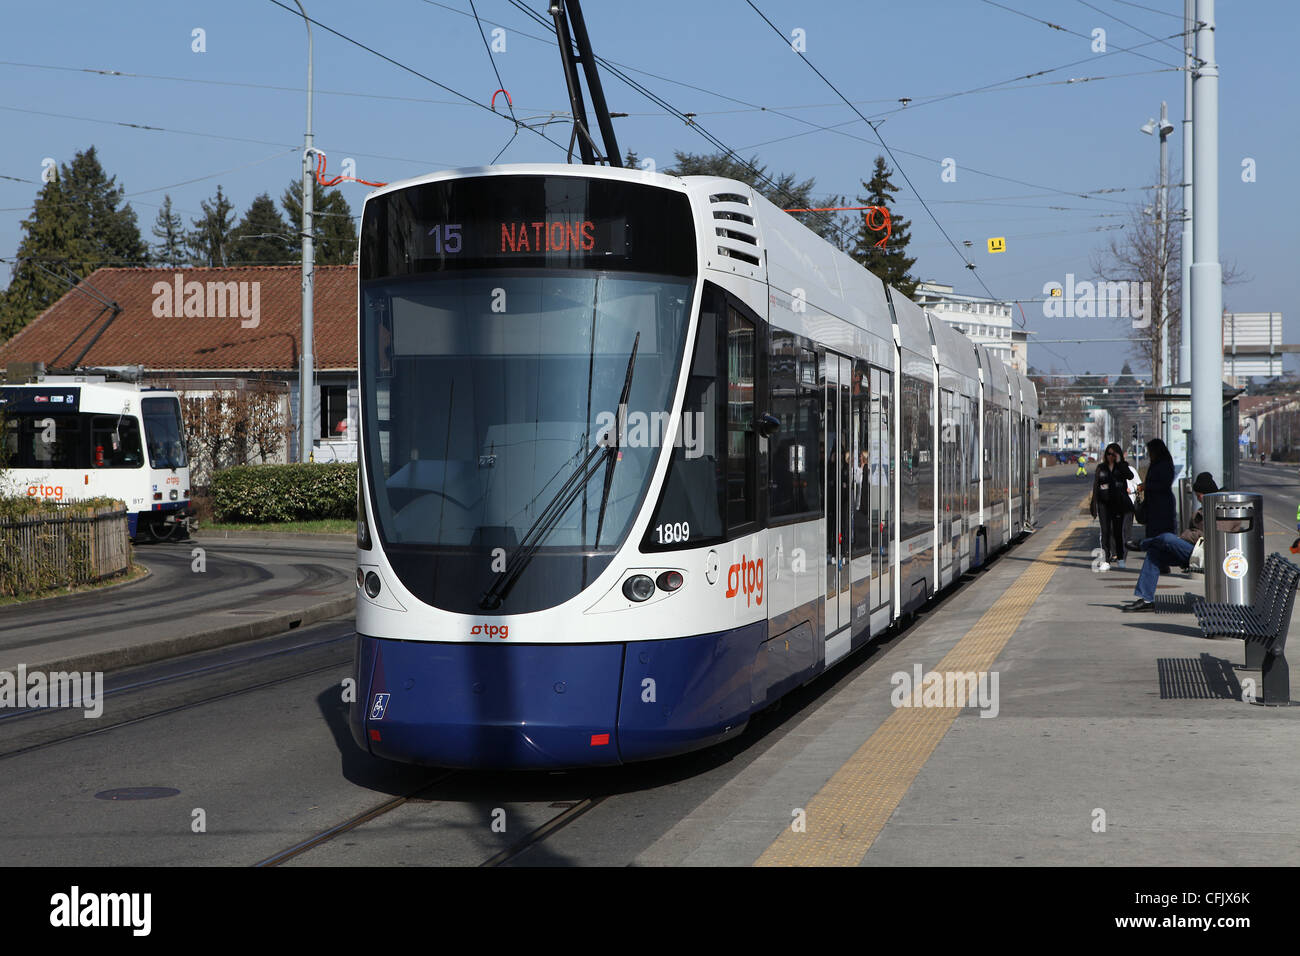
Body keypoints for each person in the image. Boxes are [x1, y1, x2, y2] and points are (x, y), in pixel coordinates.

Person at [1121, 472, 1219, 612]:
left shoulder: (1221, 509)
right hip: (1191, 551)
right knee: (1154, 553)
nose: (1198, 497)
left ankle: (1142, 544)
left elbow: (1214, 535)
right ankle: (1146, 599)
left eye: (1200, 494)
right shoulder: (1203, 509)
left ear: (1208, 493)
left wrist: (1187, 536)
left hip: (1205, 553)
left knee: (1166, 538)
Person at [1090, 443, 1135, 570]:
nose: (1110, 456)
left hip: (1119, 504)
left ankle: (1121, 558)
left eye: (1113, 454)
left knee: (1118, 532)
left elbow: (1129, 476)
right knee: (1105, 531)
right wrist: (1093, 505)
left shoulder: (1122, 467)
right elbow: (1096, 486)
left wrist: (1120, 463)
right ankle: (1106, 559)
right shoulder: (1101, 468)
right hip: (1104, 504)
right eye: (1108, 454)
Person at [1131, 437, 1177, 543]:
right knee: (1155, 538)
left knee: (1160, 538)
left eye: (1150, 452)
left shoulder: (1163, 464)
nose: (1149, 455)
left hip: (1161, 507)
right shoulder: (1158, 464)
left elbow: (1164, 484)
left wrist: (1147, 486)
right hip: (1154, 506)